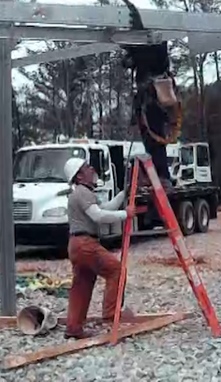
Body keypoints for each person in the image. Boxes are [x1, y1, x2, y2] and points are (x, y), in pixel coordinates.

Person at [63, 157, 135, 339]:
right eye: (86, 167)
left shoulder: (80, 193)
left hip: (76, 245)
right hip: (86, 244)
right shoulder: (82, 192)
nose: (91, 169)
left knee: (82, 285)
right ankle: (111, 314)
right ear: (78, 176)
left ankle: (73, 327)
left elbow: (105, 208)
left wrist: (122, 195)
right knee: (116, 270)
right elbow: (99, 216)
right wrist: (125, 214)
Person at [122, 42, 177, 192]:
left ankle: (163, 175)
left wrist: (131, 50)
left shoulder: (154, 44)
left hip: (152, 97)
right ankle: (161, 174)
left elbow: (140, 60)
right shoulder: (149, 49)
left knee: (154, 138)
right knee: (151, 139)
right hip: (148, 97)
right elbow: (128, 62)